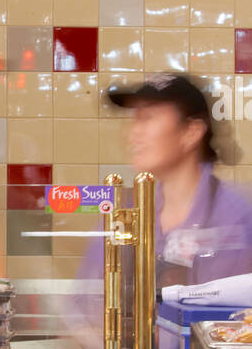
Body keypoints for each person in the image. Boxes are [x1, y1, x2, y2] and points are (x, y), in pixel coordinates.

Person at [91, 74, 252, 291]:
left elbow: (232, 315)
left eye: (147, 117)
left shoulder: (235, 216)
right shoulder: (125, 213)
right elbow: (90, 302)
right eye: (134, 119)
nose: (133, 134)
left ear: (191, 132)